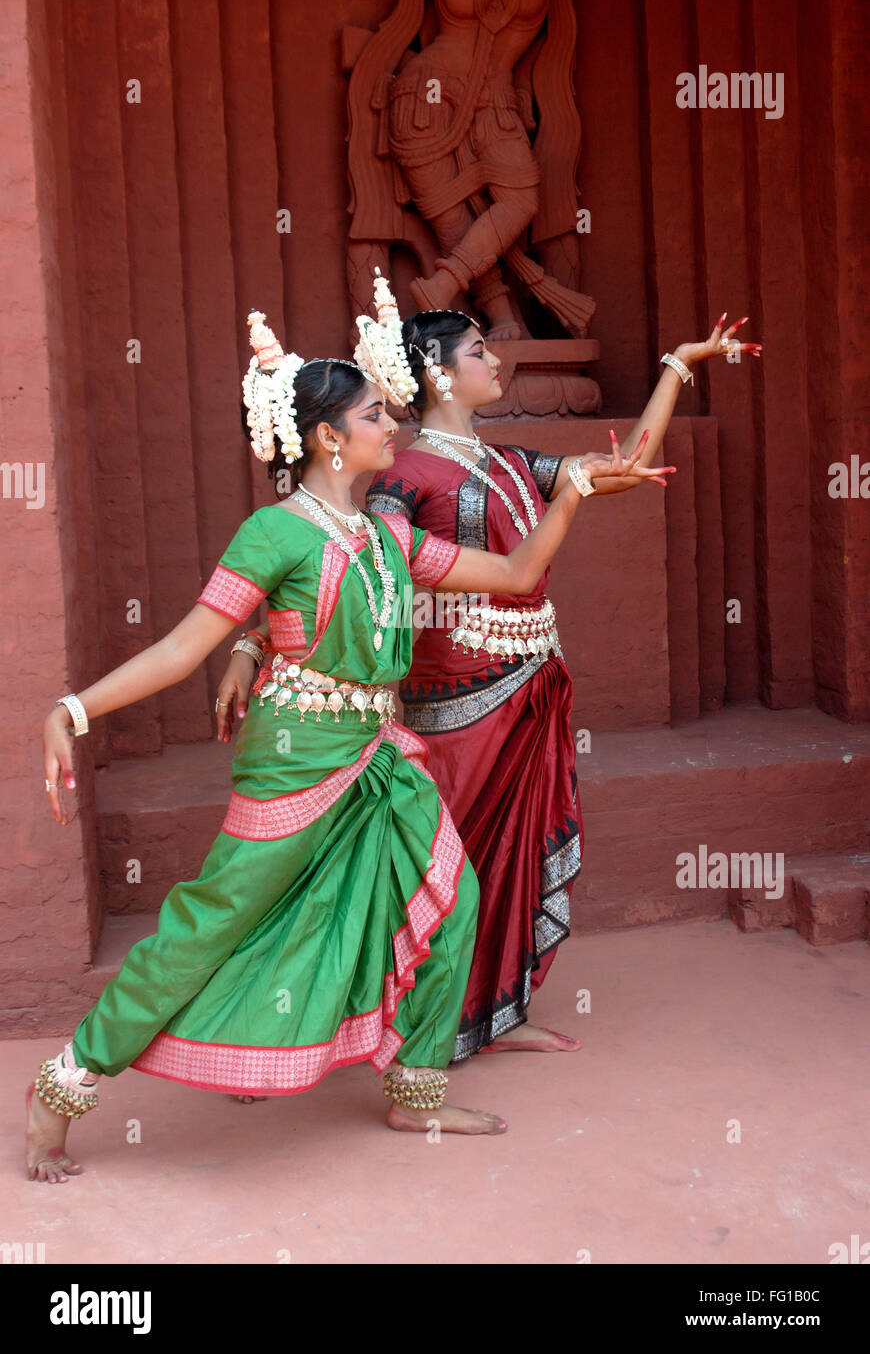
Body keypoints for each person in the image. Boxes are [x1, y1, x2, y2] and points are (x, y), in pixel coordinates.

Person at [27, 295, 672, 1182]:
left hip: (377, 756)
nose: (392, 422)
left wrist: (577, 494)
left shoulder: (385, 538)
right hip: (295, 759)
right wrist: (73, 710)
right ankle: (63, 1086)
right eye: (374, 414)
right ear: (331, 439)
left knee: (455, 899)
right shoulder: (275, 535)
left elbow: (519, 572)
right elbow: (184, 646)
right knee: (212, 925)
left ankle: (417, 1091)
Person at [221, 292, 760, 1064]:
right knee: (451, 865)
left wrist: (679, 364)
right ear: (439, 373)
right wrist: (254, 643)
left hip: (532, 674)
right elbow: (347, 569)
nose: (496, 359)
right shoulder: (400, 475)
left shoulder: (505, 462)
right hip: (457, 693)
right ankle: (347, 1029)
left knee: (509, 856)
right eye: (479, 351)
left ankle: (495, 1012)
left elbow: (624, 464)